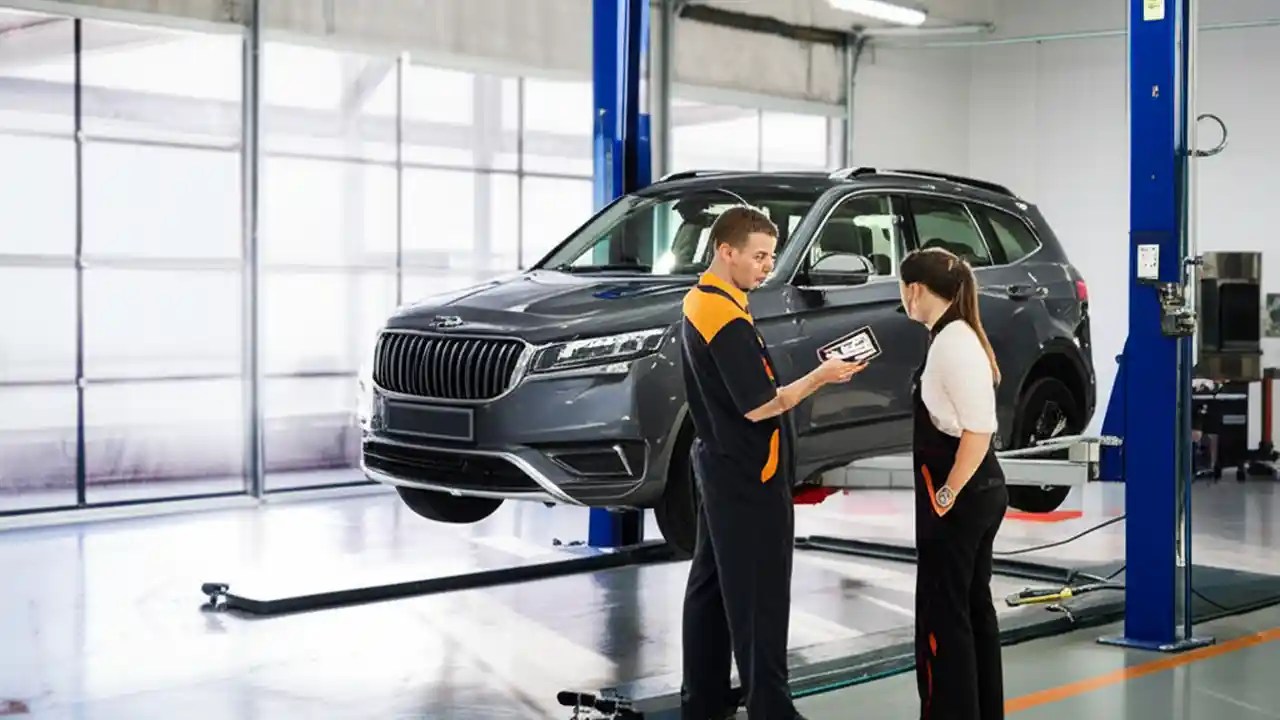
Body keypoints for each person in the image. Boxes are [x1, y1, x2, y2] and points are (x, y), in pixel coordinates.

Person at [679, 205, 867, 720]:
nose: (767, 266)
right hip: (748, 473)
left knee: (713, 587)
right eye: (759, 256)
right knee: (760, 593)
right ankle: (770, 708)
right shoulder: (723, 316)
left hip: (720, 464)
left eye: (770, 256)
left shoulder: (705, 301)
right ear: (726, 251)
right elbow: (759, 402)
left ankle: (705, 698)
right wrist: (820, 377)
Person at [898, 247, 1008, 720]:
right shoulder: (958, 336)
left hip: (961, 495)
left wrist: (947, 493)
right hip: (979, 493)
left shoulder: (952, 343)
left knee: (945, 618)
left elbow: (979, 431)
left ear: (915, 290)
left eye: (901, 289)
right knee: (972, 608)